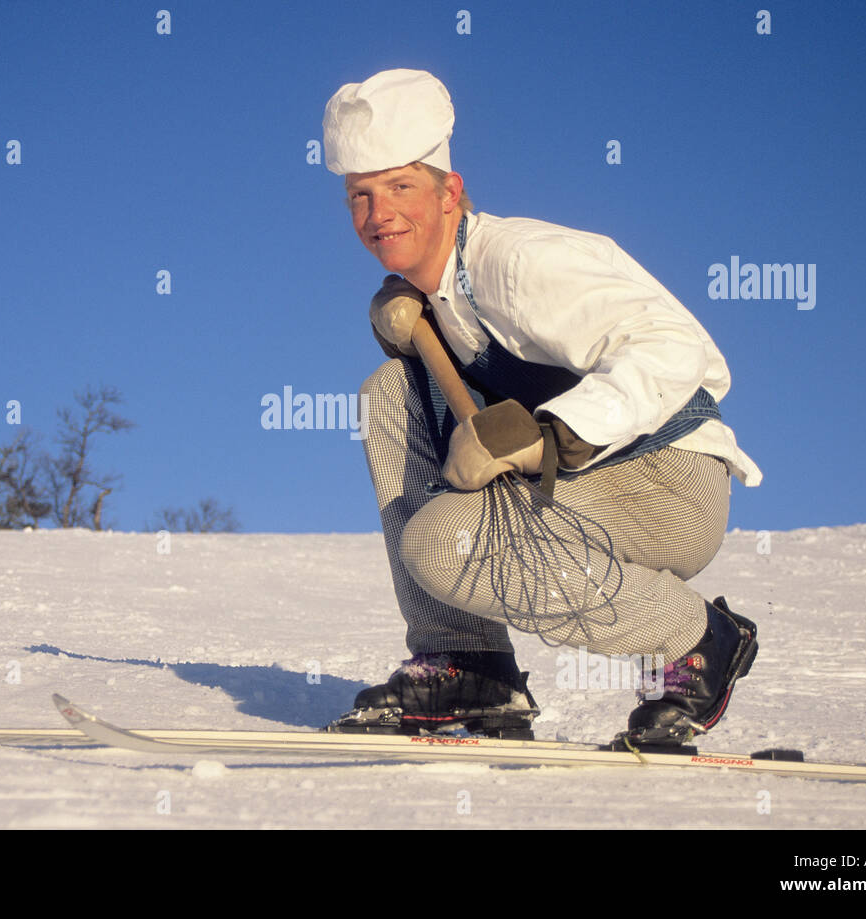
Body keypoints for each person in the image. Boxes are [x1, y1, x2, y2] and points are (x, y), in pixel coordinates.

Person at [322, 69, 763, 745]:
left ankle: (699, 638)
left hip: (667, 478)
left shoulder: (519, 262)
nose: (379, 214)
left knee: (442, 542)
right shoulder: (446, 294)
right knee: (389, 393)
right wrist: (418, 336)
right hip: (582, 491)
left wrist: (553, 435)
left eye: (402, 186)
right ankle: (469, 661)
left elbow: (676, 349)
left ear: (451, 192)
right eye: (362, 195)